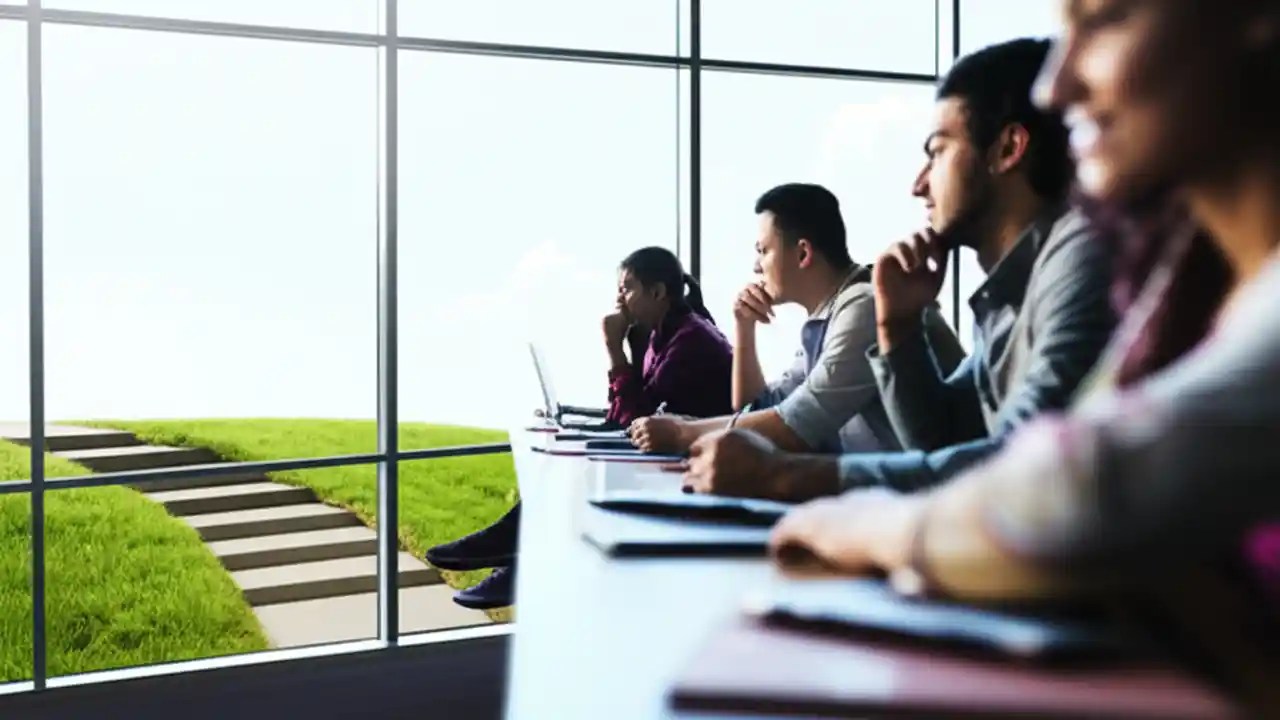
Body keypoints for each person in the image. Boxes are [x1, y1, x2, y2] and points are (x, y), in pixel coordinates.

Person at [770, 1, 1280, 711]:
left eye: (1104, 21)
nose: (1056, 86)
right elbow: (972, 445)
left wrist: (845, 511)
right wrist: (901, 330)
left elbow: (1082, 484)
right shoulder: (1177, 273)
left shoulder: (1088, 252)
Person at [681, 38, 1116, 501]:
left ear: (1007, 148)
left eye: (937, 151)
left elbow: (1021, 471)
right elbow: (945, 439)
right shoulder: (1008, 291)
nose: (918, 184)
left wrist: (784, 477)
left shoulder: (1081, 256)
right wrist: (899, 329)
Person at [426, 246, 733, 610]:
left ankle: (517, 558)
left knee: (577, 475)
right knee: (572, 468)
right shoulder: (658, 337)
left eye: (627, 288)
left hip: (692, 472)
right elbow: (629, 417)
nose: (619, 299)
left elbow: (640, 423)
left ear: (657, 292)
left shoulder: (692, 341)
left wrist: (614, 349)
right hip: (666, 461)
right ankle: (510, 550)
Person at [630, 183, 964, 458]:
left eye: (762, 251)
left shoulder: (865, 307)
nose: (756, 267)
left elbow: (796, 427)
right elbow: (756, 406)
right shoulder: (831, 312)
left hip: (935, 505)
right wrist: (744, 328)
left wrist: (682, 433)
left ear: (803, 253)